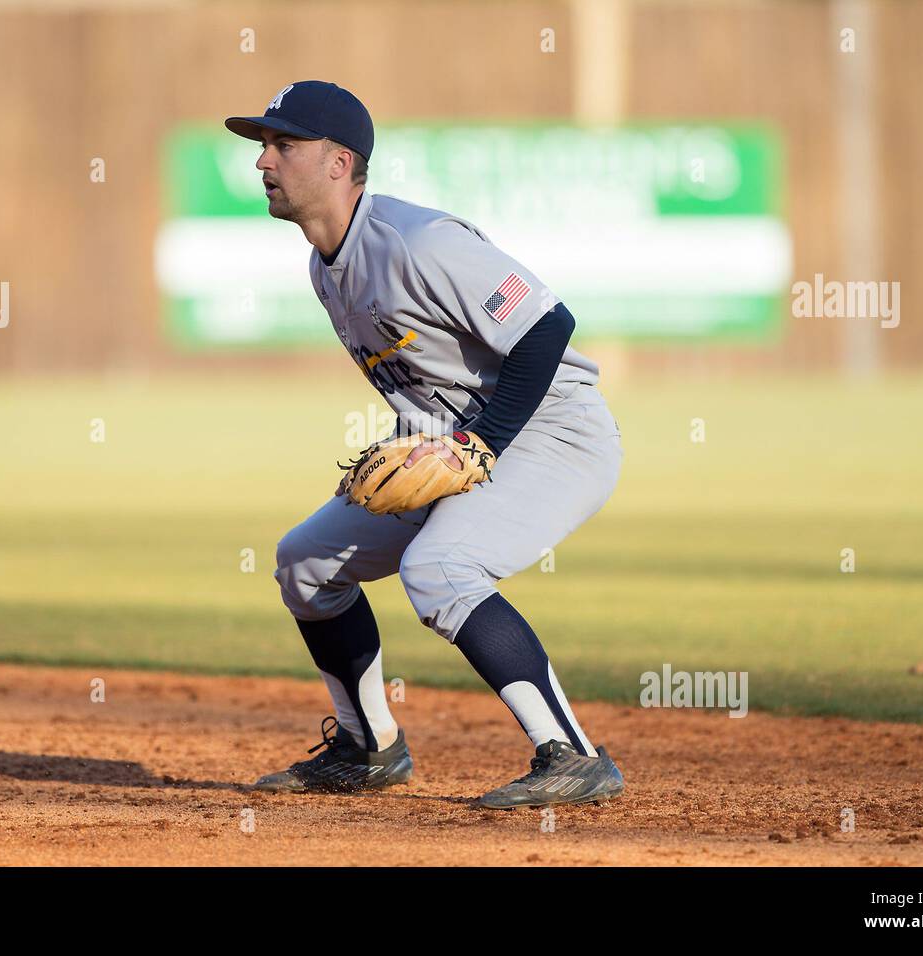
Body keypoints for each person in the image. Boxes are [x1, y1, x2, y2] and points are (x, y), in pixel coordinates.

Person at [224, 81, 625, 808]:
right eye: (263, 145)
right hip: (463, 440)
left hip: (554, 432)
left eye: (284, 144)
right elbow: (432, 384)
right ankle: (366, 748)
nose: (264, 161)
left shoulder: (418, 241)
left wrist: (479, 445)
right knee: (305, 564)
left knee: (440, 568)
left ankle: (572, 754)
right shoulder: (326, 269)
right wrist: (421, 443)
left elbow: (547, 327)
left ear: (340, 162)